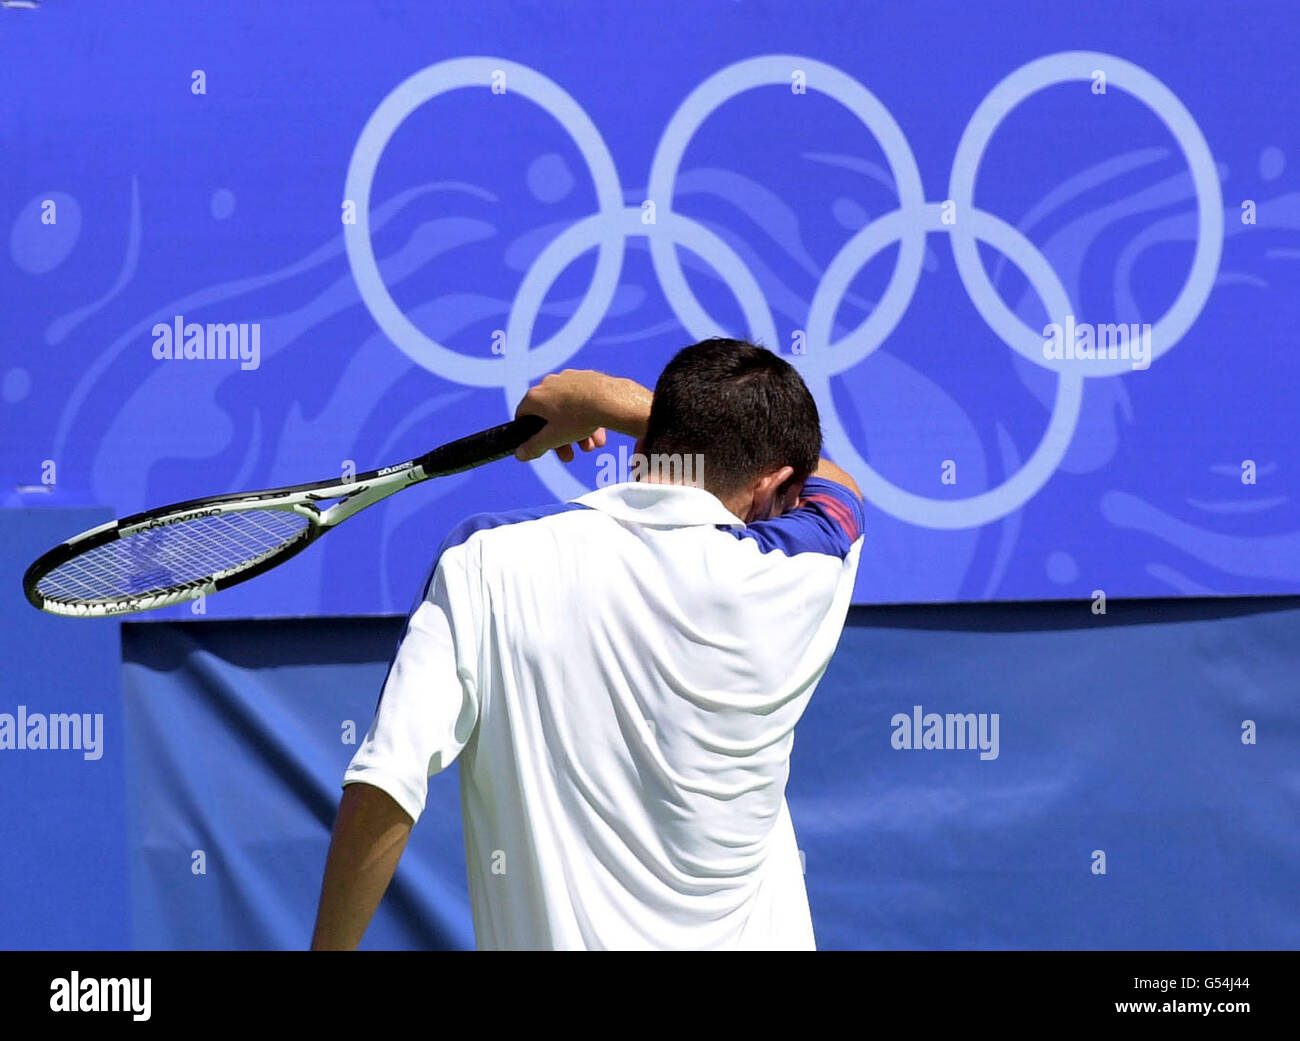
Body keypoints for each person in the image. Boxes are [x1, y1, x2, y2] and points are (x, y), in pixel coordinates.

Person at [311, 338, 865, 950]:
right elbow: (838, 484)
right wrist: (608, 401)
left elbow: (386, 783)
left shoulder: (487, 560)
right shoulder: (805, 571)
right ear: (775, 489)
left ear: (654, 445)